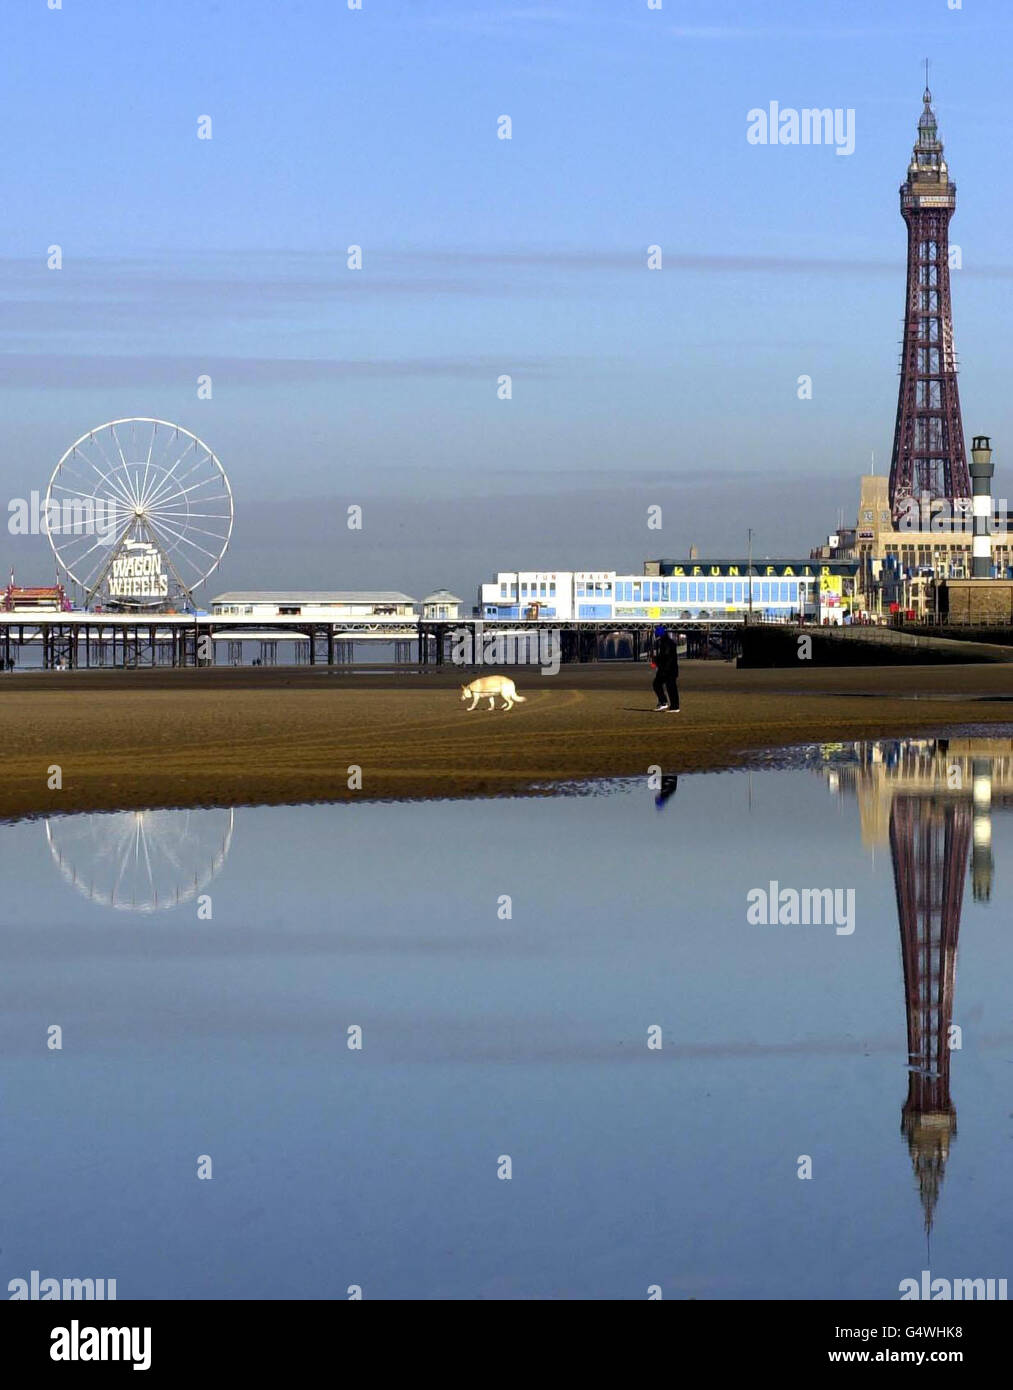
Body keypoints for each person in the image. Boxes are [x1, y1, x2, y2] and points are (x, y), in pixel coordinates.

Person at [651, 624, 679, 712]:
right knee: (668, 686)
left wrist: (657, 660)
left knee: (662, 685)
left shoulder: (665, 643)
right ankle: (670, 704)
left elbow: (666, 657)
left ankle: (670, 705)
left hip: (667, 670)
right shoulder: (668, 642)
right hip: (670, 669)